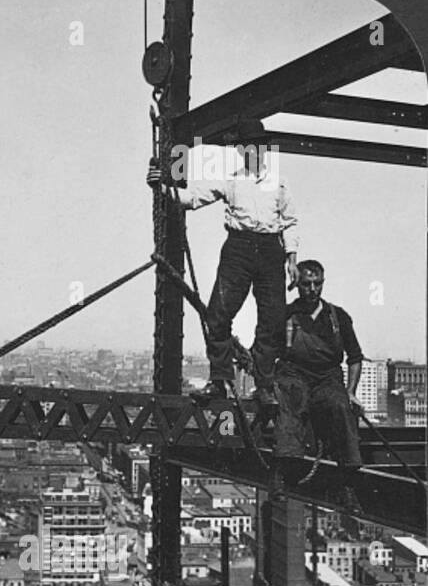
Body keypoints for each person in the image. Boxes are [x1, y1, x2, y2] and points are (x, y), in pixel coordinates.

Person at [148, 129, 298, 405]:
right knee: (218, 314)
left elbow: (289, 222)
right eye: (247, 147)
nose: (253, 152)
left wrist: (291, 258)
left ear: (265, 150)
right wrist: (162, 187)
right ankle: (219, 381)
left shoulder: (279, 183)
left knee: (272, 320)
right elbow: (192, 198)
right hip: (238, 248)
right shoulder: (230, 180)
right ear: (241, 151)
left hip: (270, 250)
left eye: (258, 146)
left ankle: (264, 386)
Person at [272, 260, 365, 512]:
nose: (312, 289)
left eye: (317, 283)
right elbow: (267, 350)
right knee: (292, 402)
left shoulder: (338, 317)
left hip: (327, 377)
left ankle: (347, 486)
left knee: (340, 406)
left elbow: (355, 357)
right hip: (294, 373)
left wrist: (351, 392)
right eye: (306, 284)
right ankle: (280, 476)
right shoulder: (286, 314)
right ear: (297, 284)